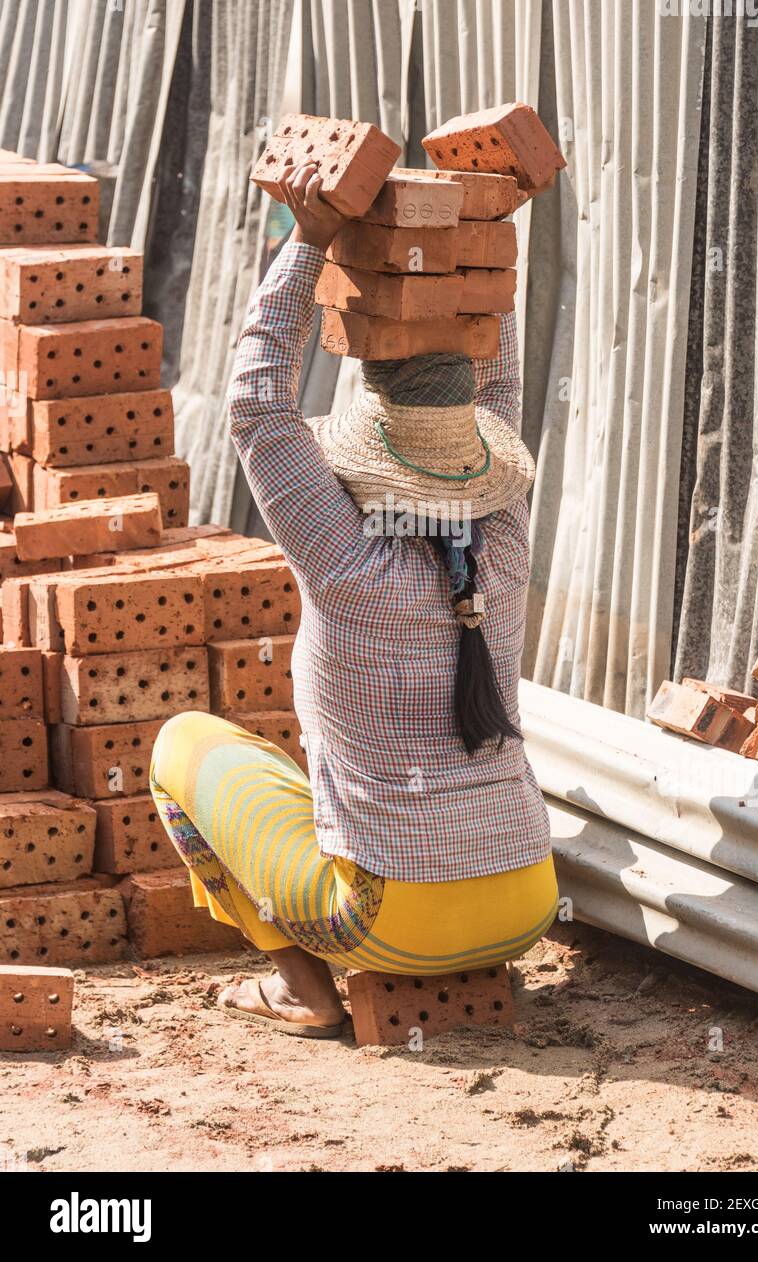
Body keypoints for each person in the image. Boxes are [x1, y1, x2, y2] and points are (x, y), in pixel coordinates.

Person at [149, 162, 557, 1037]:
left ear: (368, 442)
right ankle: (468, 949)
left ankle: (302, 986)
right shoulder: (507, 536)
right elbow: (498, 389)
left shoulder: (344, 560)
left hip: (389, 923)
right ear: (473, 449)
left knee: (183, 745)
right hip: (528, 899)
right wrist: (478, 248)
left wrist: (306, 240)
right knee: (318, 786)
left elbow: (259, 405)